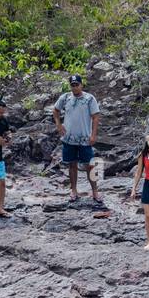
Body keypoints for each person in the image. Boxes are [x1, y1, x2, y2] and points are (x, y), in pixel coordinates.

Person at [52, 74, 103, 208]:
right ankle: (74, 191)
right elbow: (56, 110)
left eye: (77, 85)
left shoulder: (89, 99)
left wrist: (93, 135)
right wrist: (58, 124)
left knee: (90, 165)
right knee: (72, 165)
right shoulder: (65, 97)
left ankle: (95, 191)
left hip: (85, 138)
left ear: (81, 85)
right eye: (72, 85)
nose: (75, 87)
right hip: (69, 138)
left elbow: (96, 117)